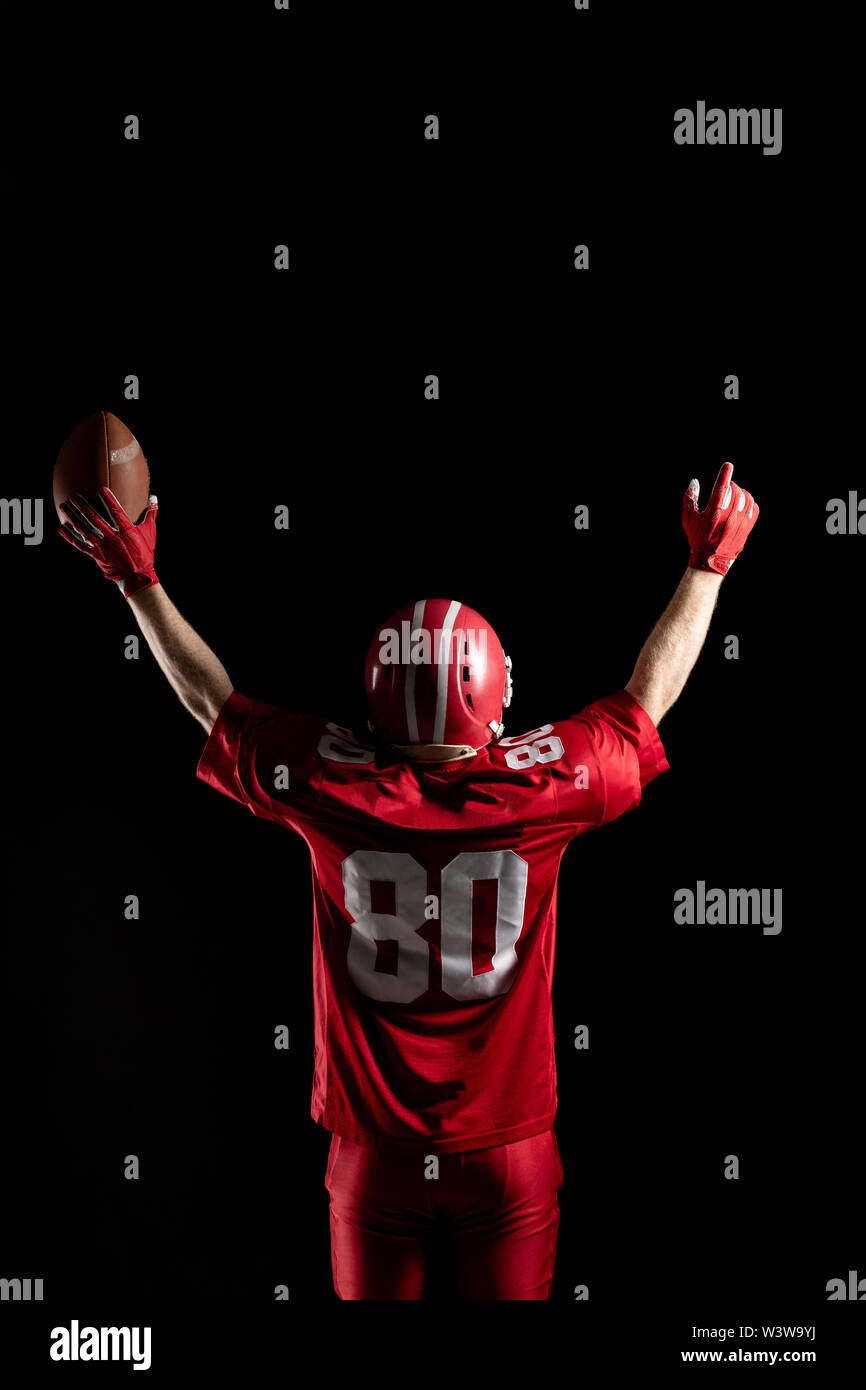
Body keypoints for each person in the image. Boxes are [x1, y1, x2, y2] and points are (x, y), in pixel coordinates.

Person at [58, 461, 758, 1300]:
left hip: (374, 1158)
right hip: (508, 1154)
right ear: (495, 698)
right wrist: (705, 569)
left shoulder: (330, 786)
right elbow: (651, 696)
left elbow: (215, 704)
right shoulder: (547, 785)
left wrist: (138, 583)